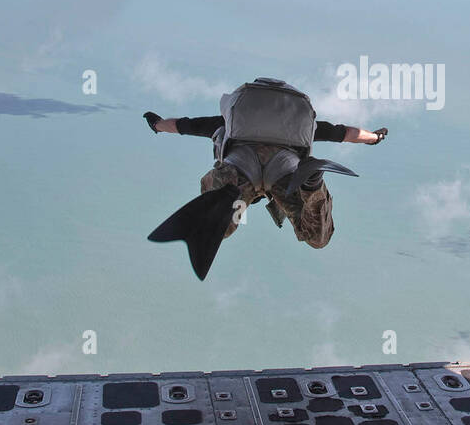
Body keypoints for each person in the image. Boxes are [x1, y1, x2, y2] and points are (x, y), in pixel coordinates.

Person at [145, 77, 386, 279]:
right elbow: (343, 133)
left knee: (222, 226)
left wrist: (157, 125)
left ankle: (228, 191)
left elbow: (183, 126)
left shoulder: (227, 123)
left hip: (239, 172)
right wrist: (374, 138)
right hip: (286, 171)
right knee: (317, 237)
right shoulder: (302, 129)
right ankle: (313, 186)